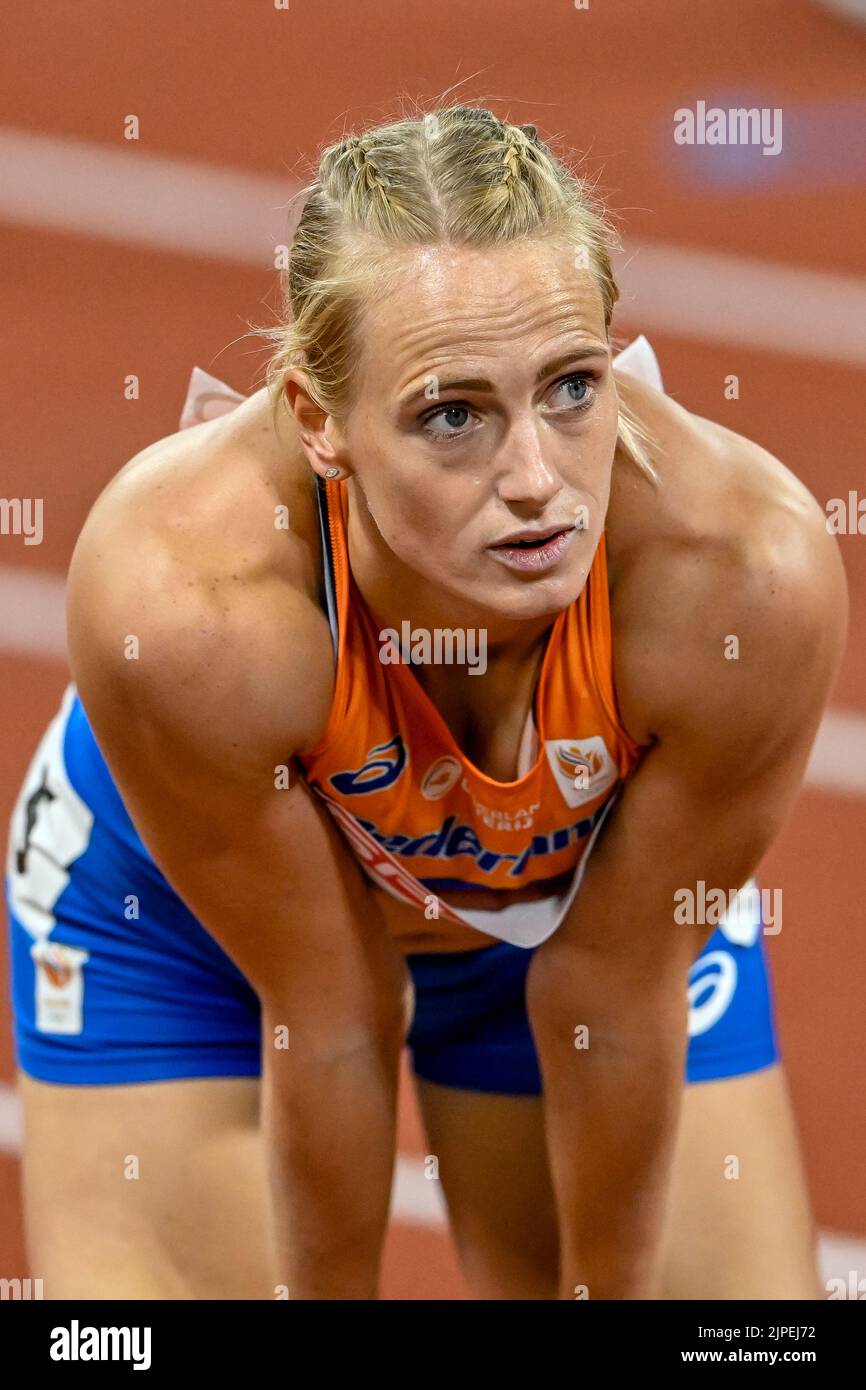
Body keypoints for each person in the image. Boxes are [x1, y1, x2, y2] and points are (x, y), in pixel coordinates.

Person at [5, 105, 846, 1300]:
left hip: (575, 907)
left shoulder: (739, 581)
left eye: (569, 388)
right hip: (188, 920)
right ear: (316, 421)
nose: (535, 484)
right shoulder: (188, 603)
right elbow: (332, 1015)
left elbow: (611, 987)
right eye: (453, 416)